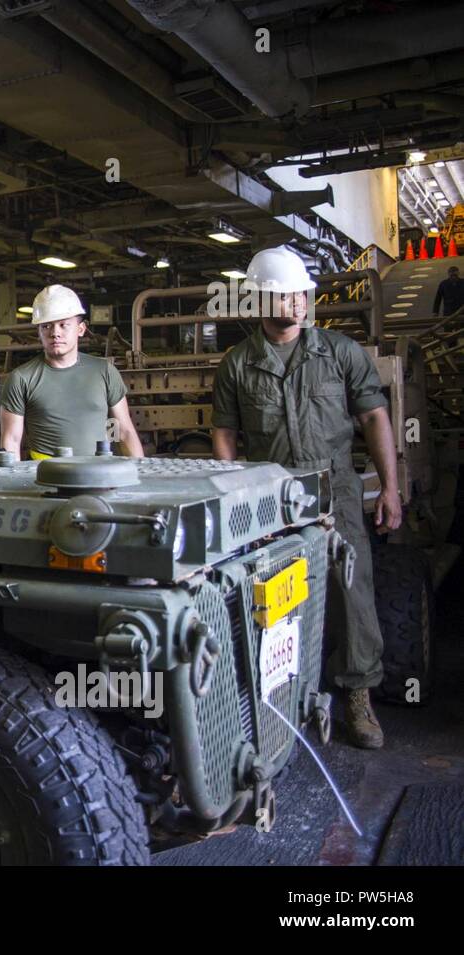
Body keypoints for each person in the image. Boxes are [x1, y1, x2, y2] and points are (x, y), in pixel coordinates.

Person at [211, 245, 400, 749]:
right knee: (276, 597)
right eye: (284, 294)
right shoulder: (237, 364)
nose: (296, 303)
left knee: (351, 592)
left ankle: (358, 695)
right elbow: (225, 433)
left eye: (301, 293)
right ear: (261, 300)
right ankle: (285, 699)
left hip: (334, 487)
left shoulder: (339, 353)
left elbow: (375, 418)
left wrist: (390, 489)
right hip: (271, 496)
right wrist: (235, 497)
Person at [0, 285, 144, 459]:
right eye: (46, 326)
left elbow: (125, 432)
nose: (55, 333)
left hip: (99, 473)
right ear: (38, 332)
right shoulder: (21, 378)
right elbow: (11, 441)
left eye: (63, 325)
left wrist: (140, 476)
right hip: (46, 475)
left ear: (81, 329)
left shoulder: (104, 372)